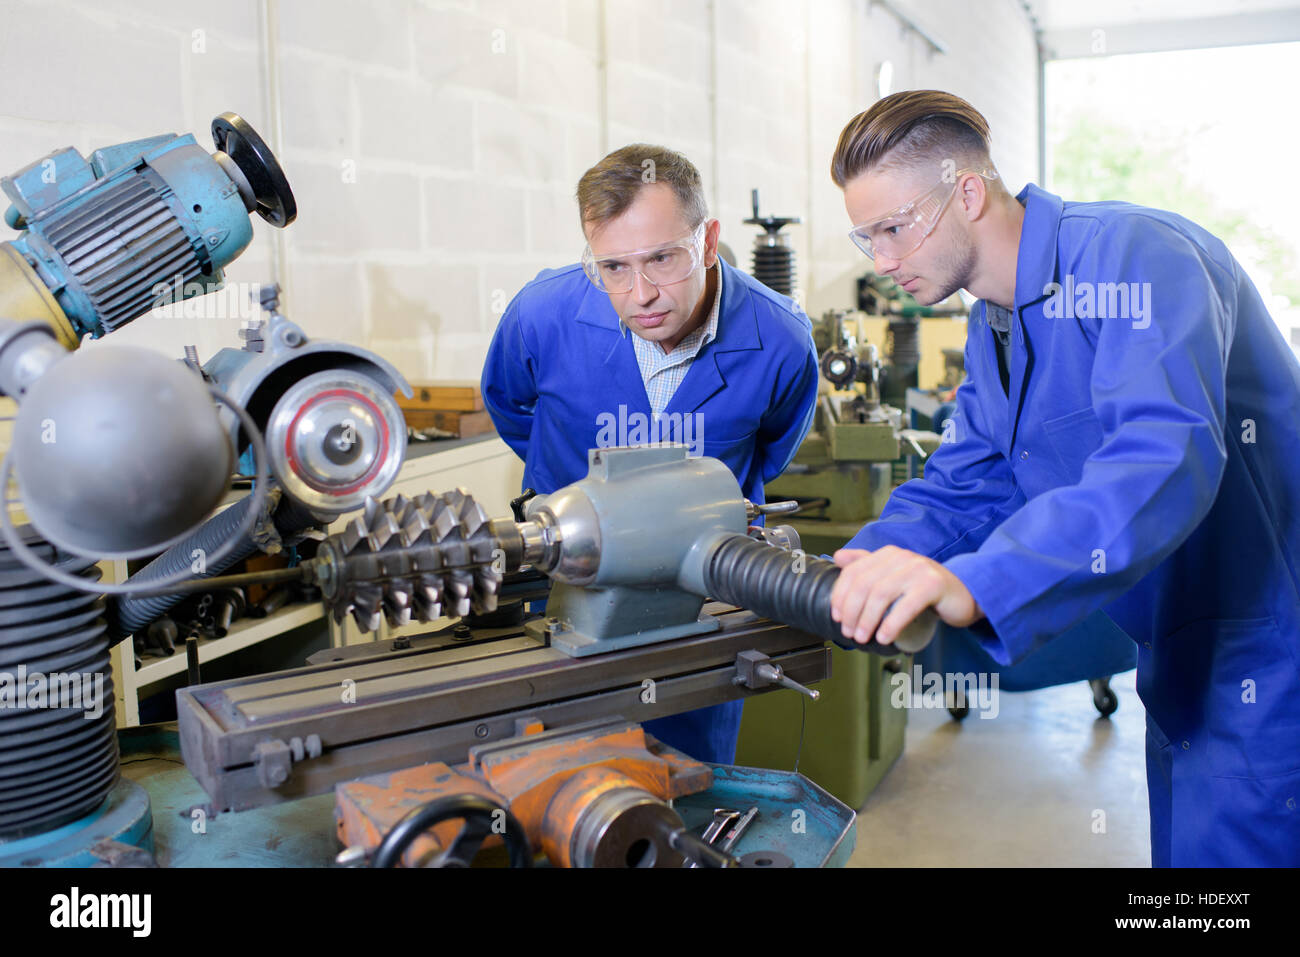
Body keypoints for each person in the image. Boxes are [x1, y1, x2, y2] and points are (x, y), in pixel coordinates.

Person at [826, 89, 1300, 867]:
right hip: (1179, 642)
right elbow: (969, 476)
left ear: (967, 192)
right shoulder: (997, 320)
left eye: (892, 229)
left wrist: (982, 581)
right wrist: (853, 567)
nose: (881, 262)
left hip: (1271, 643)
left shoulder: (1133, 255)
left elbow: (1163, 455)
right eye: (865, 236)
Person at [481, 143, 819, 764]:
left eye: (663, 258)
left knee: (693, 790)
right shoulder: (540, 316)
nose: (641, 293)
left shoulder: (780, 339)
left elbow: (770, 451)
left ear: (708, 241)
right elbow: (509, 406)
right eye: (613, 267)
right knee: (554, 780)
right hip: (561, 594)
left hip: (702, 605)